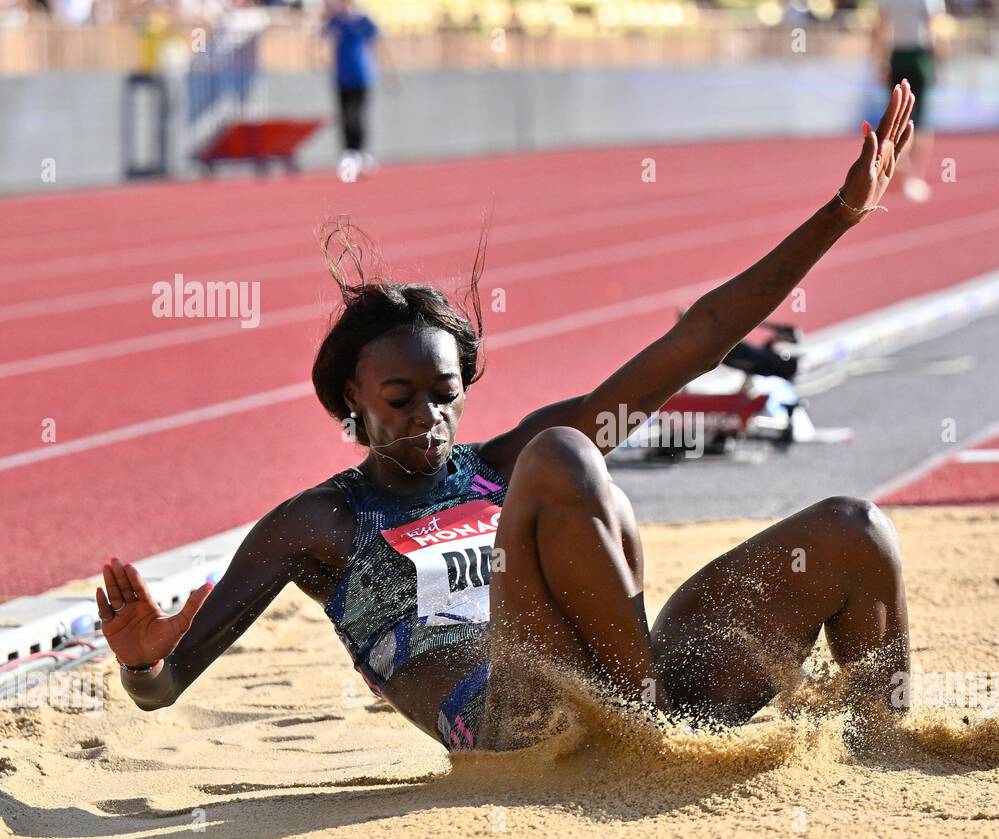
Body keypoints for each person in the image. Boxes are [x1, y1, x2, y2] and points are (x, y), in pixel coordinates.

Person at [98, 84, 919, 755]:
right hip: (517, 717)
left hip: (626, 680)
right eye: (400, 399)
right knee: (565, 455)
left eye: (446, 394)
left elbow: (695, 344)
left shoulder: (503, 464)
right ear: (352, 394)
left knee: (853, 527)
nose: (431, 417)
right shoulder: (316, 523)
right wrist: (141, 667)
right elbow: (163, 689)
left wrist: (841, 213)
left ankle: (888, 749)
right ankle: (652, 727)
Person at [874, 0, 946, 202]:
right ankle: (913, 176)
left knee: (896, 118)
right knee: (920, 119)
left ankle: (896, 172)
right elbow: (934, 28)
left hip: (897, 56)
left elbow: (880, 27)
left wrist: (880, 61)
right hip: (918, 55)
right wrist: (939, 62)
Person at [321, 0, 388, 178]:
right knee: (344, 116)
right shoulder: (336, 20)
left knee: (356, 116)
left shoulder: (363, 20)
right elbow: (321, 37)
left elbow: (377, 41)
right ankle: (349, 154)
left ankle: (358, 152)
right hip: (342, 77)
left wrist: (382, 69)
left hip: (361, 76)